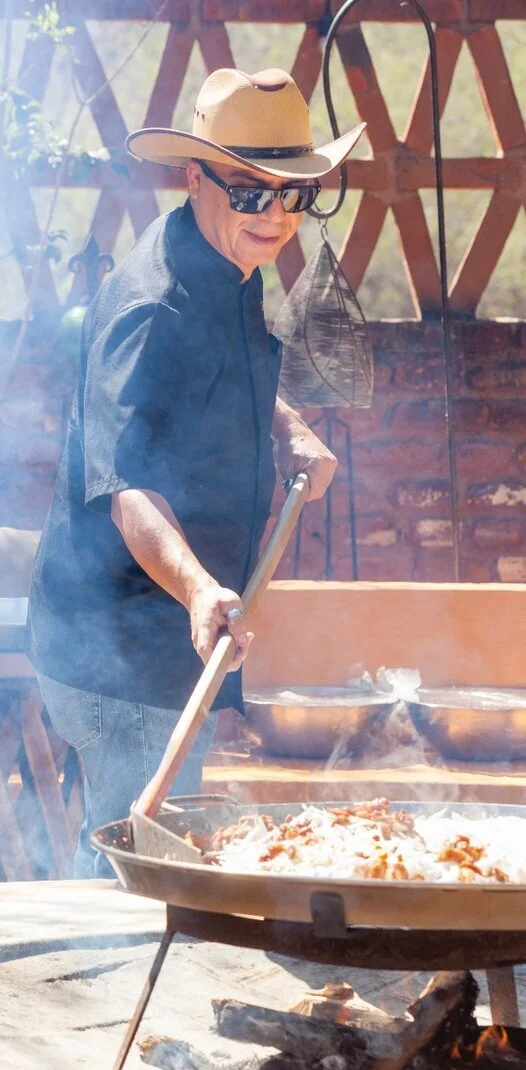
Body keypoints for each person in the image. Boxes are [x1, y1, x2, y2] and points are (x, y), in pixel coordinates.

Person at [26, 67, 366, 877]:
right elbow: (124, 487)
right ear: (196, 177)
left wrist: (289, 430)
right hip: (121, 645)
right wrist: (200, 589)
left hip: (172, 638)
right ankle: (88, 999)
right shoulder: (151, 308)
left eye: (296, 193)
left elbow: (229, 378)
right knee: (133, 868)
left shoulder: (228, 263)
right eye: (252, 192)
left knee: (145, 857)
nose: (276, 215)